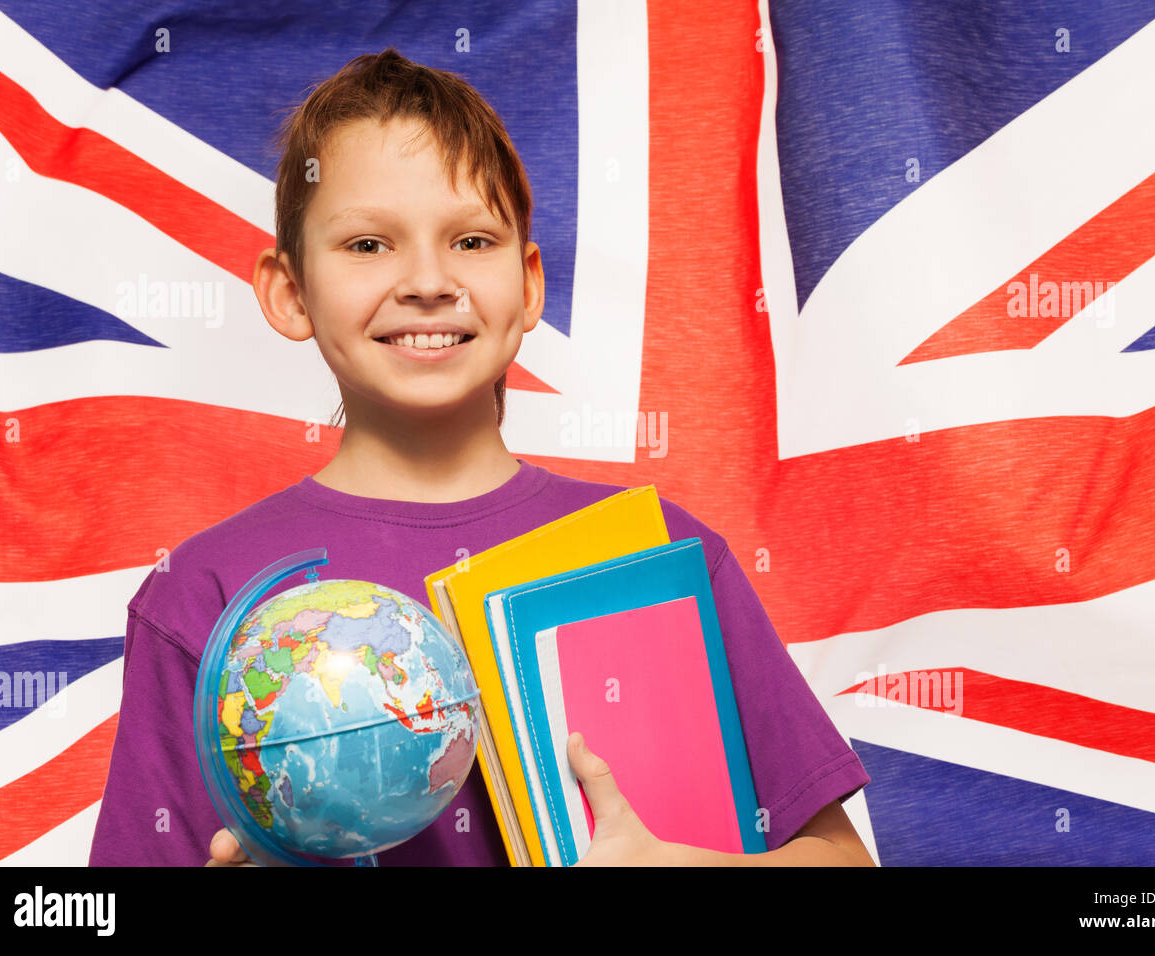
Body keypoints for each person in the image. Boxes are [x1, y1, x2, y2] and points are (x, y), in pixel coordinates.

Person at [88, 48, 873, 867]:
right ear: (290, 292)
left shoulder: (658, 552)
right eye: (366, 245)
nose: (428, 280)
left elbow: (842, 860)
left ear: (528, 284)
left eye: (470, 239)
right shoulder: (202, 594)